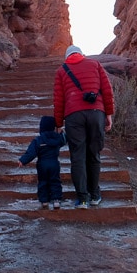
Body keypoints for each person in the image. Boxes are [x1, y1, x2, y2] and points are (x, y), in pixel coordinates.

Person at [53, 45, 114, 209]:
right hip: (96, 113)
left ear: (67, 57)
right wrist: (109, 114)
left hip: (73, 116)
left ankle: (82, 199)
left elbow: (59, 100)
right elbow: (107, 90)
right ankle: (95, 195)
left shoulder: (62, 70)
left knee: (78, 157)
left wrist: (58, 123)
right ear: (81, 54)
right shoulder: (95, 64)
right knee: (94, 155)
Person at [17, 115, 66, 210]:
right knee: (55, 181)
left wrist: (23, 160)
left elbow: (31, 153)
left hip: (42, 164)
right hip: (54, 163)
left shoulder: (38, 140)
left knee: (43, 181)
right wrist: (61, 132)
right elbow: (64, 140)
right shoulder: (57, 139)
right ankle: (56, 200)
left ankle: (44, 200)